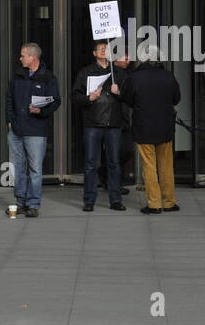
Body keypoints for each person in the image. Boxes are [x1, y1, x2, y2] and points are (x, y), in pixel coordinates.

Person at [122, 43, 181, 214]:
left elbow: (127, 98)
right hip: (165, 127)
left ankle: (154, 203)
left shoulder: (135, 77)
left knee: (149, 166)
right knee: (166, 166)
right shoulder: (168, 76)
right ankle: (169, 202)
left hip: (144, 127)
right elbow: (176, 98)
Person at [4, 43, 59, 217]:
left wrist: (42, 111)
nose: (20, 59)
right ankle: (20, 202)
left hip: (36, 130)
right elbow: (9, 98)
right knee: (18, 168)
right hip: (16, 130)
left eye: (23, 56)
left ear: (33, 57)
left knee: (35, 169)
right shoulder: (17, 75)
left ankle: (33, 204)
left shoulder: (48, 77)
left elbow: (56, 101)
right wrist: (9, 122)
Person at [72, 40, 126, 212]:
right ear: (94, 53)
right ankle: (89, 200)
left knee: (114, 163)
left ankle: (115, 200)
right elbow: (74, 97)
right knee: (90, 163)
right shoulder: (86, 72)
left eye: (106, 49)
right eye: (100, 49)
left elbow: (131, 97)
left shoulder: (118, 72)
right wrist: (89, 98)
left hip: (114, 123)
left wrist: (120, 93)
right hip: (92, 123)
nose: (103, 51)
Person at [112, 50, 137, 192]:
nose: (128, 61)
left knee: (126, 151)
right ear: (115, 59)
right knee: (115, 152)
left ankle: (105, 174)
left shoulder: (129, 74)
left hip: (125, 117)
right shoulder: (111, 74)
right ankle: (114, 182)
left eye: (129, 58)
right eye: (125, 57)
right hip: (113, 117)